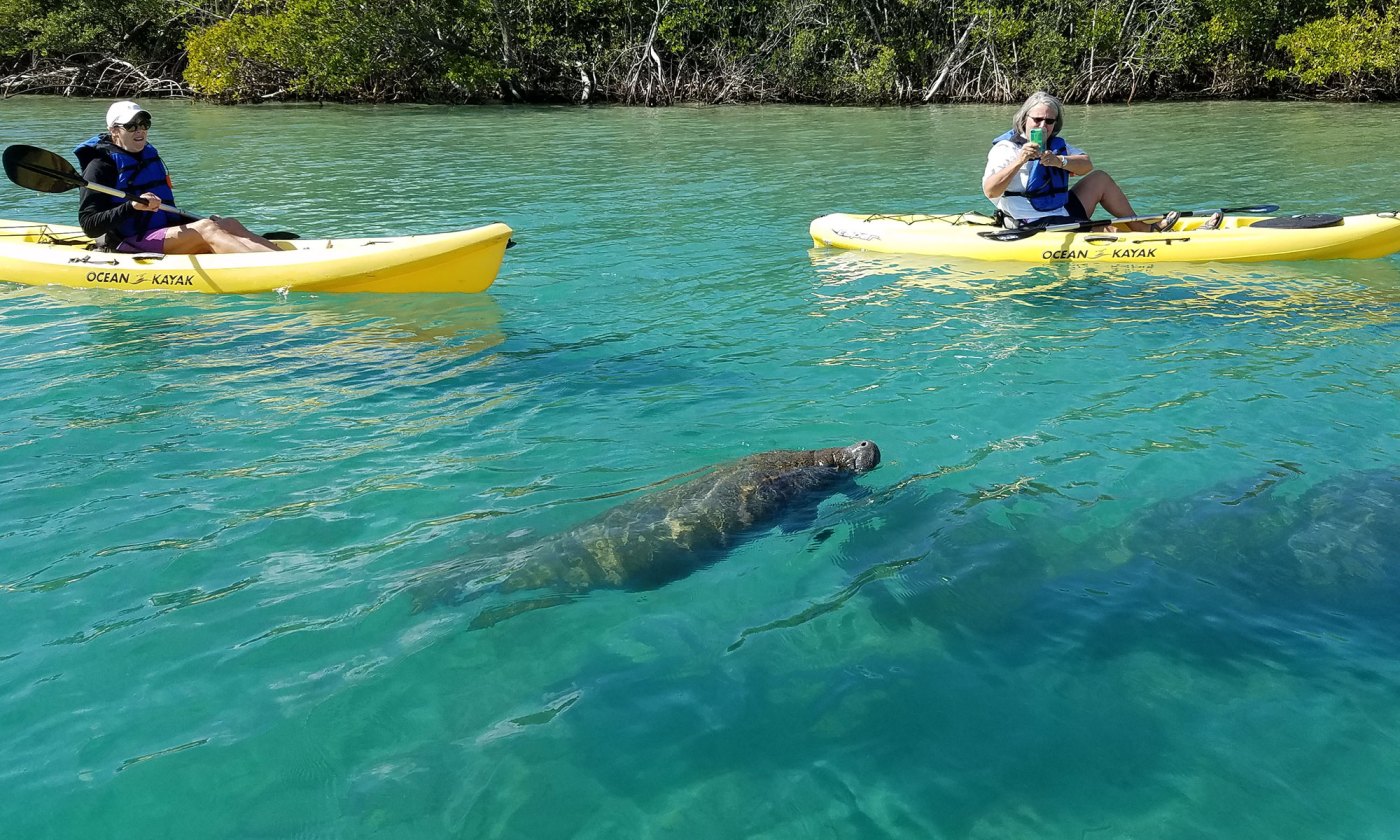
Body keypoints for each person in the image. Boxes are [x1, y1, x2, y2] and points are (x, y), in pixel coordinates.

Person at [982, 91, 1204, 233]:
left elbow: (1086, 164)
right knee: (1102, 227)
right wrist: (1021, 160)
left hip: (1059, 211)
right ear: (1024, 119)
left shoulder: (1057, 145)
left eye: (1049, 121)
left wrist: (1059, 161)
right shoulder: (1006, 149)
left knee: (1100, 179)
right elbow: (990, 191)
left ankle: (1142, 228)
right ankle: (1146, 236)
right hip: (1028, 222)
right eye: (1037, 119)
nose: (1043, 126)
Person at [75, 100, 279, 254]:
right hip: (127, 240)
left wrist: (198, 220)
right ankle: (269, 269)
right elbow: (89, 225)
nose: (140, 131)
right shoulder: (100, 166)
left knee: (228, 223)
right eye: (131, 126)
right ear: (114, 131)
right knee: (206, 229)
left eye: (144, 124)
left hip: (161, 232)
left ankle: (283, 258)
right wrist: (131, 207)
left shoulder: (148, 156)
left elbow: (167, 212)